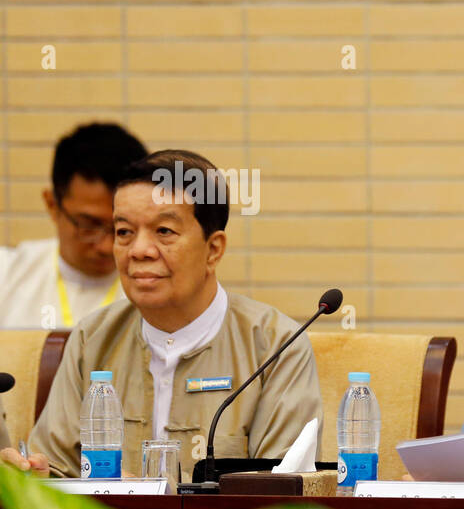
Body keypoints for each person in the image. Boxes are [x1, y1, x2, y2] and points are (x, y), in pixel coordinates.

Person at [0, 150, 322, 481]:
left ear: (213, 249)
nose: (139, 250)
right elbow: (56, 470)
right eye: (124, 232)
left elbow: (280, 494)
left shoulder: (275, 346)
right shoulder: (91, 339)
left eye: (164, 231)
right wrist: (32, 476)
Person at [0, 122, 148, 329]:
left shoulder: (164, 288)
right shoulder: (7, 276)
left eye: (123, 229)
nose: (107, 247)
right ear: (52, 205)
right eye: (89, 225)